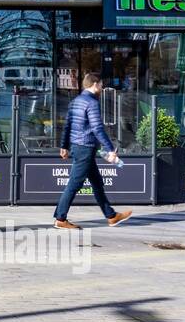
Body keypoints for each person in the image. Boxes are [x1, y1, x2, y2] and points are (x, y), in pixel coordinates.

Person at [54, 72, 132, 230]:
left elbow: (67, 125)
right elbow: (97, 128)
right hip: (85, 148)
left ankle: (111, 216)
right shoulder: (92, 102)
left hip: (78, 147)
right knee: (74, 184)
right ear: (95, 84)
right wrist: (110, 149)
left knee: (97, 183)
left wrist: (64, 146)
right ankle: (60, 218)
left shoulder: (75, 101)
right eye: (101, 84)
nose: (102, 87)